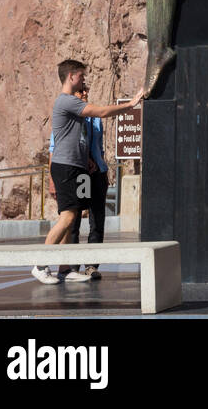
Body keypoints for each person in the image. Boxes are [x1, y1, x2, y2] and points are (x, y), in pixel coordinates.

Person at [32, 59, 141, 286]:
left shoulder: (72, 105)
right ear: (71, 76)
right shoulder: (66, 101)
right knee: (68, 217)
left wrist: (90, 161)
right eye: (81, 77)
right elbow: (101, 111)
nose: (84, 82)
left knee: (74, 215)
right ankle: (40, 264)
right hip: (65, 167)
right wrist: (131, 104)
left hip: (79, 167)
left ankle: (65, 268)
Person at [50, 80, 109, 281]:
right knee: (74, 218)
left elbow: (98, 146)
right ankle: (72, 265)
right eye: (81, 90)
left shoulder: (95, 118)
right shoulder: (69, 117)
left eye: (86, 90)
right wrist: (52, 181)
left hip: (97, 173)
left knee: (97, 219)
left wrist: (99, 163)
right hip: (81, 174)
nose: (84, 93)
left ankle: (92, 265)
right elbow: (54, 147)